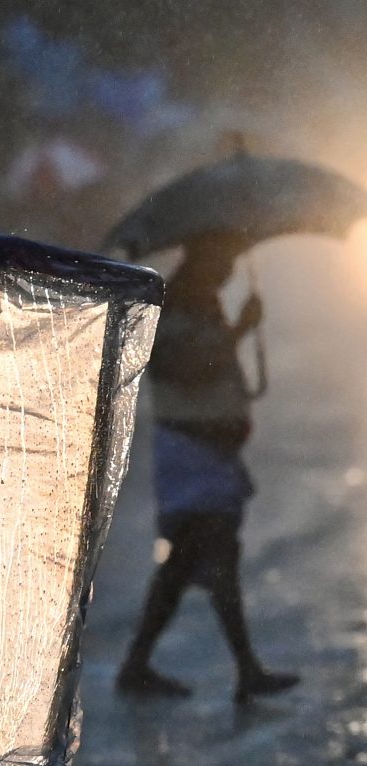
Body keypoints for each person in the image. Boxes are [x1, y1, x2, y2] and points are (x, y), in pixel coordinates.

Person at [117, 232, 299, 702]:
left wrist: (240, 330)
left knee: (185, 565)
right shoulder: (174, 306)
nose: (229, 272)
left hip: (208, 454)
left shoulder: (202, 303)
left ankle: (141, 665)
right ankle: (245, 668)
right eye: (223, 262)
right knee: (216, 557)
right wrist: (239, 331)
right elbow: (185, 367)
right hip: (191, 453)